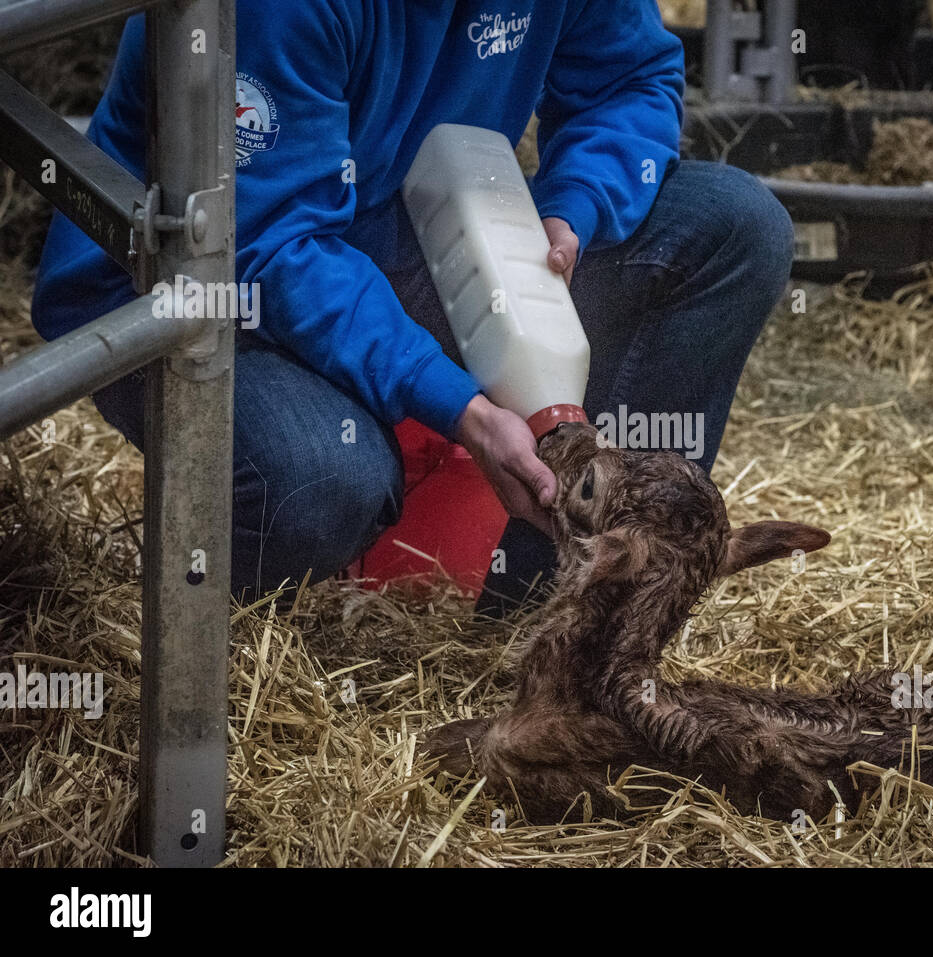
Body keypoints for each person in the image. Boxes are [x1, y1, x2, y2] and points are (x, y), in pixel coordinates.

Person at [31, 1, 794, 616]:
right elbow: (266, 245)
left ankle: (548, 614)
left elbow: (631, 77)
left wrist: (574, 206)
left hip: (406, 236)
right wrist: (459, 404)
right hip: (208, 284)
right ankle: (208, 643)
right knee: (323, 482)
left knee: (733, 225)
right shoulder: (277, 10)